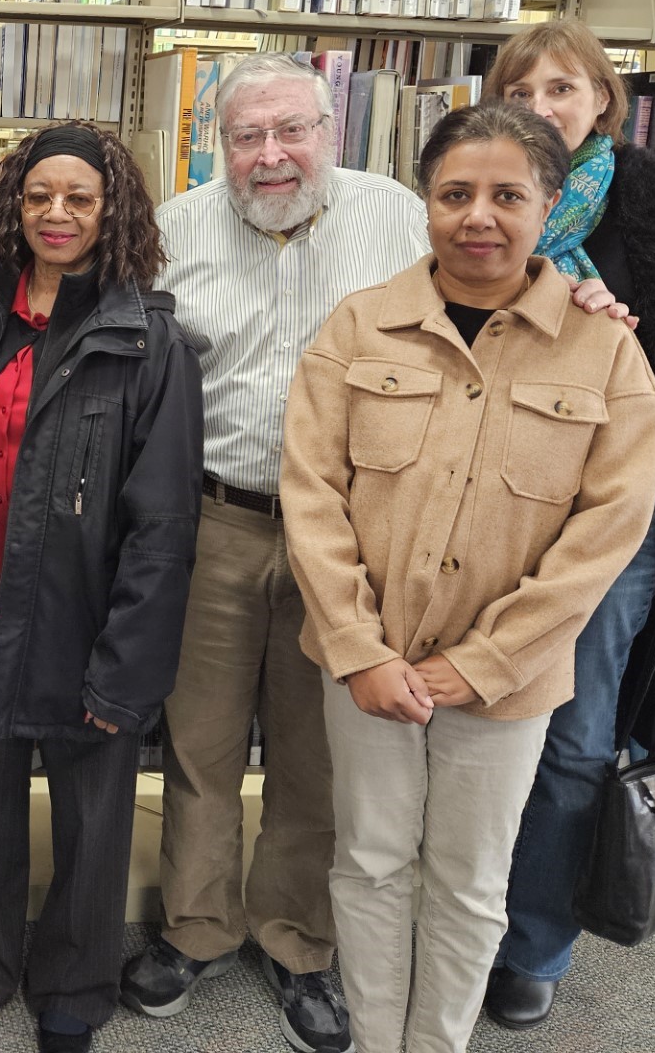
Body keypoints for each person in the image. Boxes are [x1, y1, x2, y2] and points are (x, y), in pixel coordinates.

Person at [280, 101, 655, 1053]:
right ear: (427, 203)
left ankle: (438, 1043)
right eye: (455, 194)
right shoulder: (361, 327)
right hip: (366, 667)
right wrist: (360, 651)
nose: (478, 216)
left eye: (507, 195)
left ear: (548, 206)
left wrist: (491, 658)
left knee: (467, 878)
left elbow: (608, 530)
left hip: (513, 680)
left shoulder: (605, 349)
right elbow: (312, 496)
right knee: (368, 865)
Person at [122, 52, 429, 1053]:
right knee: (199, 745)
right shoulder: (176, 229)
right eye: (247, 136)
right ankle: (197, 929)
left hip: (346, 537)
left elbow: (496, 299)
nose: (270, 155)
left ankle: (298, 943)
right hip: (214, 523)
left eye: (290, 130)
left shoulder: (397, 218)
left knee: (317, 757)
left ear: (328, 132)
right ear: (220, 143)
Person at [483, 18, 655, 1029]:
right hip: (489, 503)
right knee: (468, 729)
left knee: (577, 738)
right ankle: (458, 910)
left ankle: (533, 941)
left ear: (601, 99)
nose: (544, 105)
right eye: (524, 88)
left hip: (619, 518)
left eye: (564, 87)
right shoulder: (475, 197)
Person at [0, 123, 202, 1053]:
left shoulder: (147, 341)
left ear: (111, 209)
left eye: (80, 198)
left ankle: (76, 987)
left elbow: (163, 527)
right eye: (40, 195)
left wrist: (129, 668)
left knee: (93, 815)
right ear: (15, 203)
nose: (57, 214)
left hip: (88, 624)